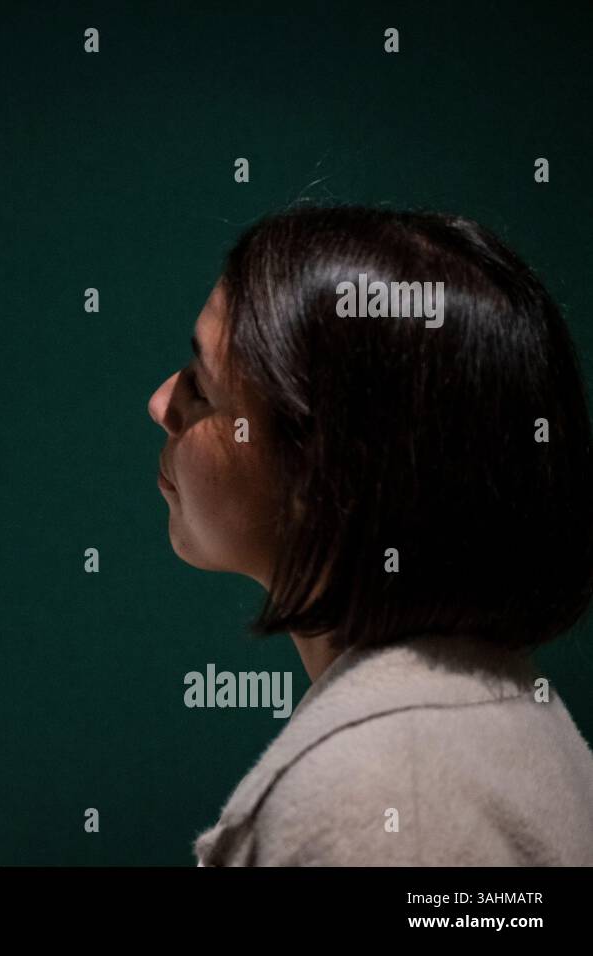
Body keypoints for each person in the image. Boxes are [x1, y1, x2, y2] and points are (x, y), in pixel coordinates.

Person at [149, 206, 593, 865]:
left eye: (203, 390)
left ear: (326, 476)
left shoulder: (377, 799)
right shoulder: (507, 729)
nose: (162, 402)